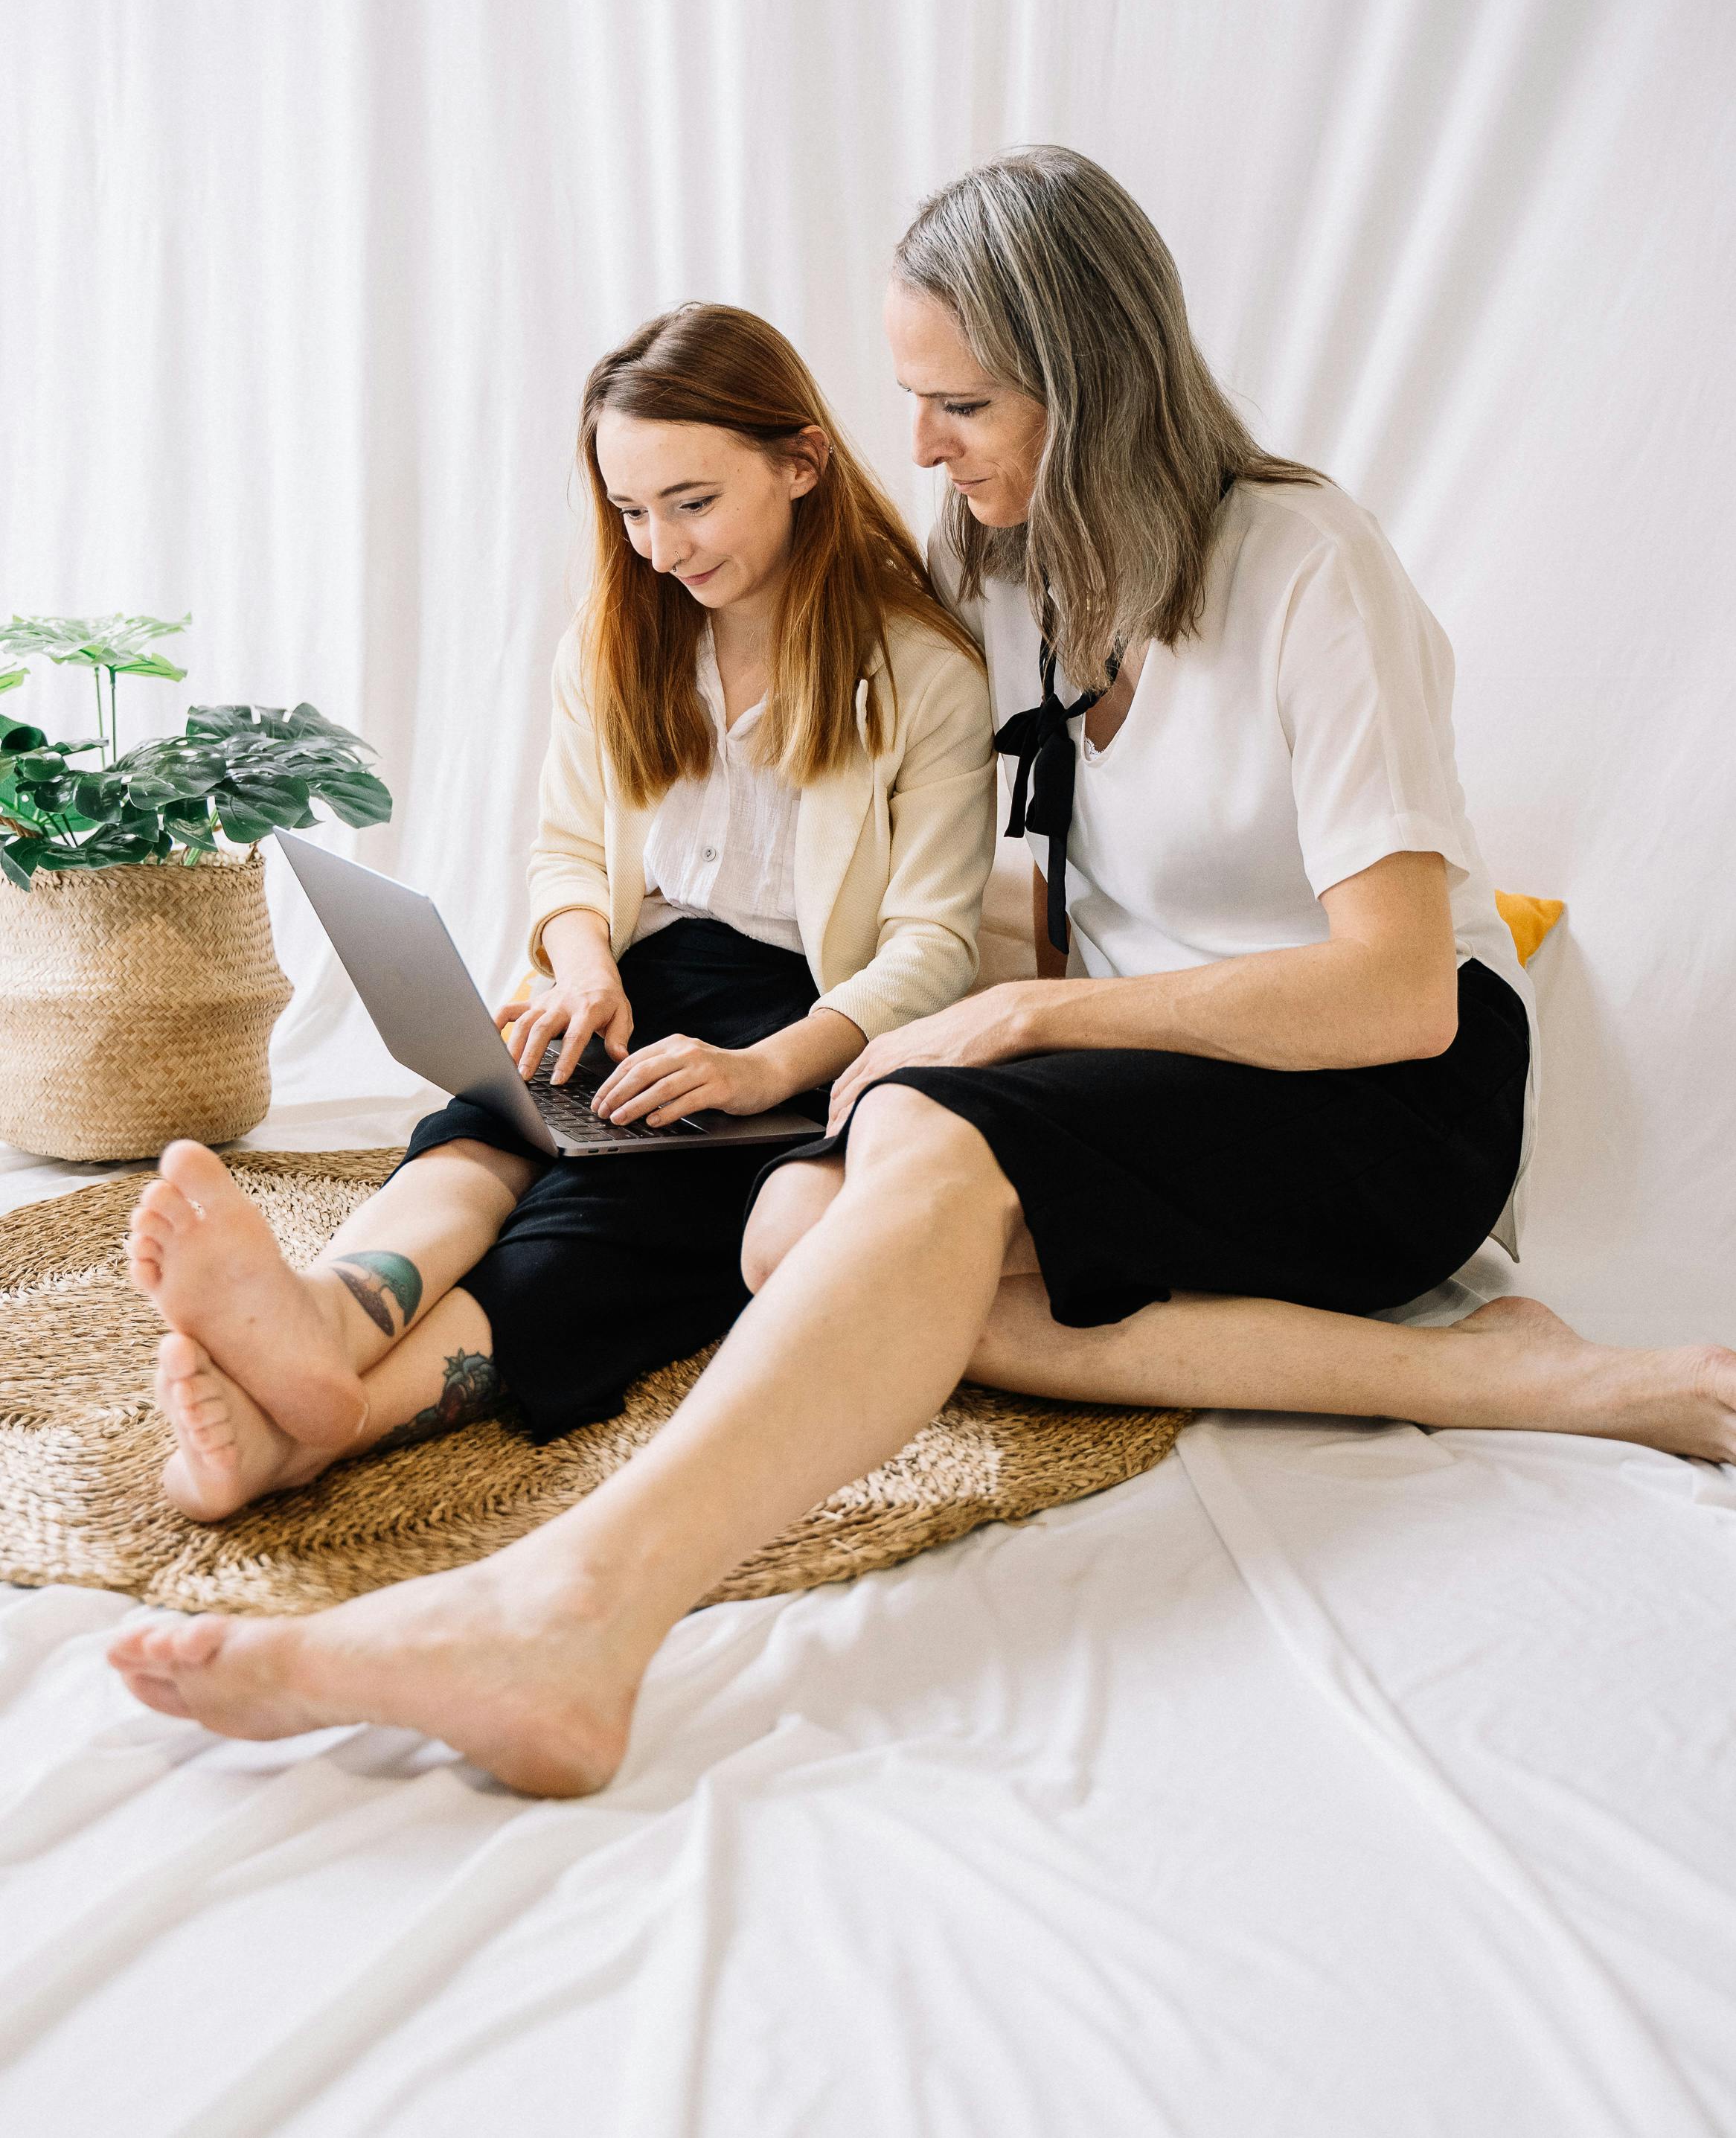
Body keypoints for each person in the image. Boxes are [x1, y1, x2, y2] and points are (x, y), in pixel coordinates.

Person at [109, 153, 1736, 1797]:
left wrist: (1018, 1011)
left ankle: (573, 1606)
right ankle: (1477, 1372)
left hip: (1386, 1097)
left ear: (1093, 385)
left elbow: (1402, 997)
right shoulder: (1012, 573)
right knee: (791, 1228)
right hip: (1154, 1091)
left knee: (925, 1146)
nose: (925, 447)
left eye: (960, 401)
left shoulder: (1312, 569)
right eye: (912, 398)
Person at [121, 301, 994, 1519]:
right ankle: (324, 1314)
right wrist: (580, 968)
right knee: (489, 1133)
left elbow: (935, 947)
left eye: (692, 501)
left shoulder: (925, 672)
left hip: (803, 1029)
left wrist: (762, 1070)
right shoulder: (616, 640)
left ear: (801, 463)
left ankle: (329, 1424)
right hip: (635, 981)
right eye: (630, 512)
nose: (661, 548)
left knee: (612, 1206)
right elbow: (569, 854)